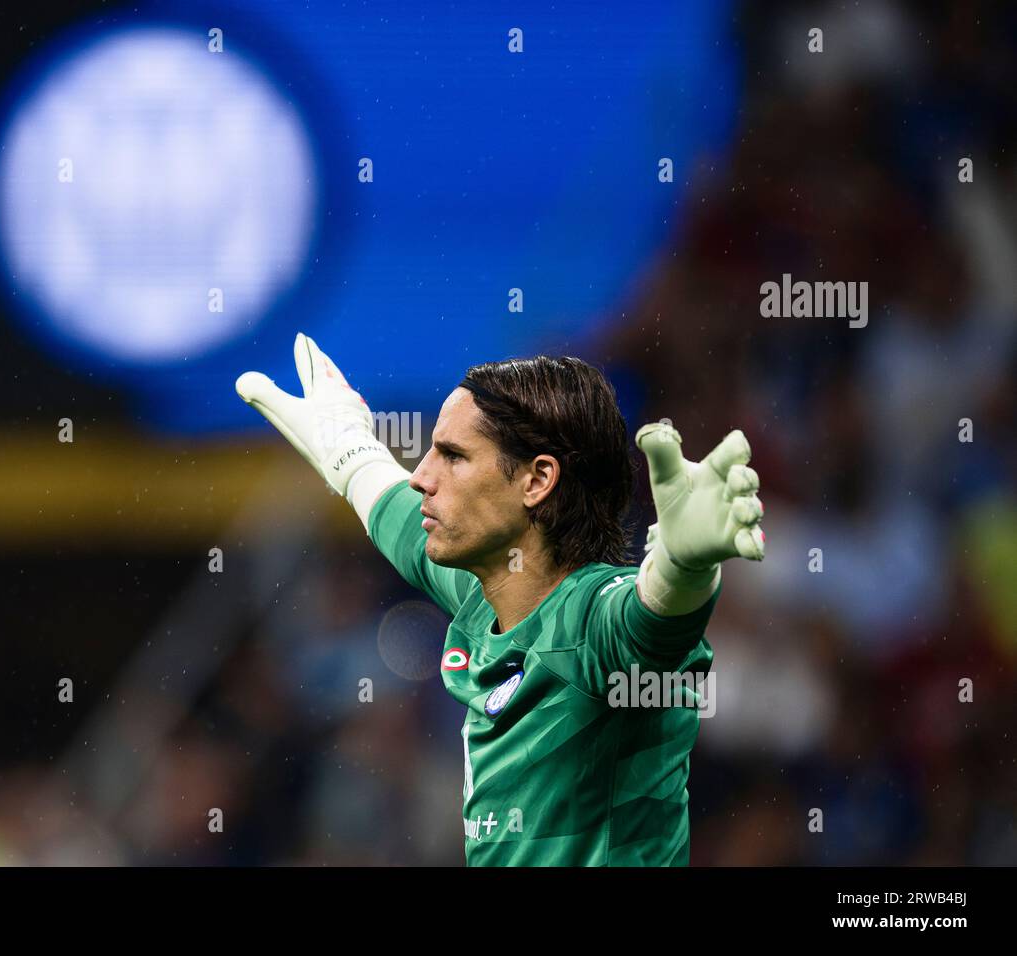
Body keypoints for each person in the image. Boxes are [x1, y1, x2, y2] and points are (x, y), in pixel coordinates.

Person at [236, 333, 765, 865]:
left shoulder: (590, 620)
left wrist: (684, 566)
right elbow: (390, 509)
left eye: (453, 456)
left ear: (536, 480)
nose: (421, 477)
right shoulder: (484, 591)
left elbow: (651, 623)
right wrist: (348, 447)